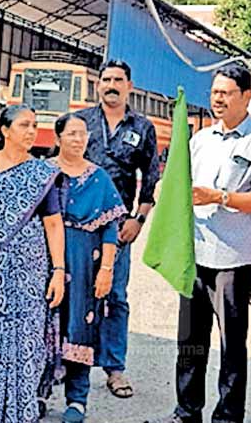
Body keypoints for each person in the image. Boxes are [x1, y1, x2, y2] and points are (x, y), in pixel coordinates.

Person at [157, 61, 251, 423]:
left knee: (231, 344)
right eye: (215, 93)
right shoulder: (199, 140)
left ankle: (228, 415)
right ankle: (187, 410)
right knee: (191, 341)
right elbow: (181, 185)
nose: (219, 100)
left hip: (233, 258)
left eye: (227, 93)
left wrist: (219, 197)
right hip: (194, 253)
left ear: (247, 96)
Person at [0, 104, 66, 423]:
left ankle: (20, 412)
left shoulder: (42, 174)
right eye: (24, 125)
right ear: (4, 130)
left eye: (34, 125)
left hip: (32, 270)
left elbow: (53, 224)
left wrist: (58, 271)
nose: (31, 131)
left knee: (27, 340)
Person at [73, 60, 159, 400]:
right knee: (76, 292)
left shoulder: (142, 127)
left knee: (115, 296)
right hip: (78, 224)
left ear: (129, 85)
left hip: (119, 227)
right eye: (106, 79)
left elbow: (150, 179)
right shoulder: (82, 122)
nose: (111, 85)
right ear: (98, 85)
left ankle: (114, 367)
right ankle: (70, 363)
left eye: (118, 80)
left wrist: (138, 219)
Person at [47, 113, 126, 423]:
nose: (79, 139)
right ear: (58, 138)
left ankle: (77, 399)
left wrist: (106, 269)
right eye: (72, 134)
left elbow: (110, 227)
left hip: (85, 265)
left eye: (82, 134)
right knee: (46, 325)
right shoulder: (43, 174)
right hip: (47, 260)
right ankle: (40, 392)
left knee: (81, 325)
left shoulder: (99, 178)